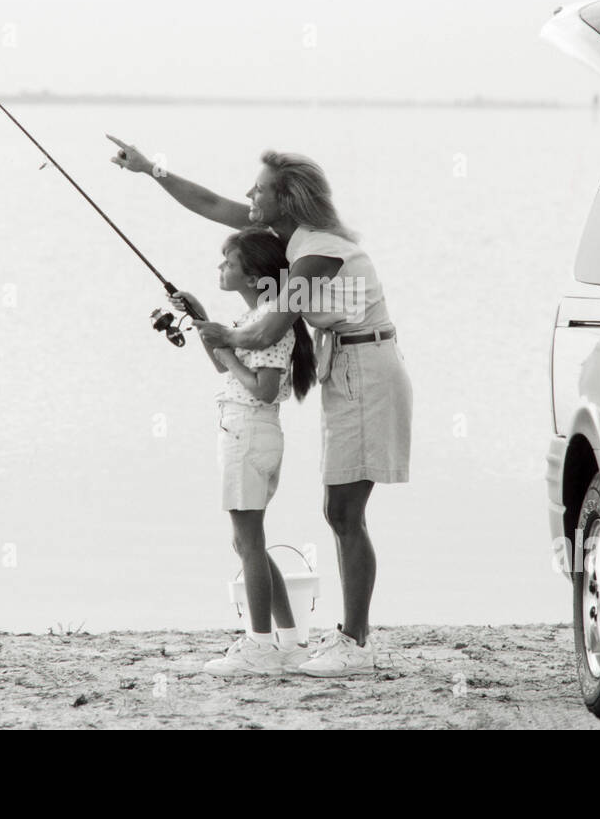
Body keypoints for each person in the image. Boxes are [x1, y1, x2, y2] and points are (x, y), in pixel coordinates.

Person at [109, 135, 412, 676]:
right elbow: (211, 205)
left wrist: (221, 332)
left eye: (261, 189)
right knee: (338, 511)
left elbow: (271, 325)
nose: (249, 194)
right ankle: (345, 639)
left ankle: (356, 644)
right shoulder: (288, 239)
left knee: (345, 513)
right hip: (345, 366)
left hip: (367, 370)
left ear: (287, 201)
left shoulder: (318, 253)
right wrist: (151, 168)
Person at [173, 228, 317, 676]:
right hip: (245, 433)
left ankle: (259, 646)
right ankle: (290, 641)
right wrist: (202, 320)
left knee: (248, 542)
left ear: (254, 276)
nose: (221, 268)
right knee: (247, 540)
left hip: (249, 432)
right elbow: (222, 360)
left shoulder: (270, 323)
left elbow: (264, 389)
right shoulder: (257, 315)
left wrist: (229, 348)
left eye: (229, 263)